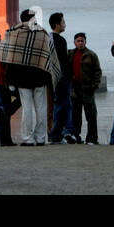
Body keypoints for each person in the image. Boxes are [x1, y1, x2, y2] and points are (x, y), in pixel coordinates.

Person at [0, 9, 59, 146]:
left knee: (27, 108)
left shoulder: (13, 33)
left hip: (22, 77)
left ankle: (28, 139)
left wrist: (10, 80)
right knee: (41, 108)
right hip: (40, 76)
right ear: (33, 18)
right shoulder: (43, 34)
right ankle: (41, 138)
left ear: (22, 18)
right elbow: (50, 57)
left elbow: (8, 58)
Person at [68, 32, 102, 144]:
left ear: (85, 42)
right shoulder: (70, 54)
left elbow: (98, 71)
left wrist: (94, 86)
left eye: (82, 41)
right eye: (78, 41)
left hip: (87, 89)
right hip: (74, 89)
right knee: (75, 116)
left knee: (91, 115)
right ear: (74, 42)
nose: (80, 43)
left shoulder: (91, 55)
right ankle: (76, 136)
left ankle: (92, 138)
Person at [48, 12, 74, 143]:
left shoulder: (49, 39)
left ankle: (64, 132)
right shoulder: (60, 40)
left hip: (55, 77)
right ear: (57, 25)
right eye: (63, 22)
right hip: (62, 77)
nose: (65, 24)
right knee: (62, 105)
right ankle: (57, 135)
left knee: (63, 105)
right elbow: (63, 61)